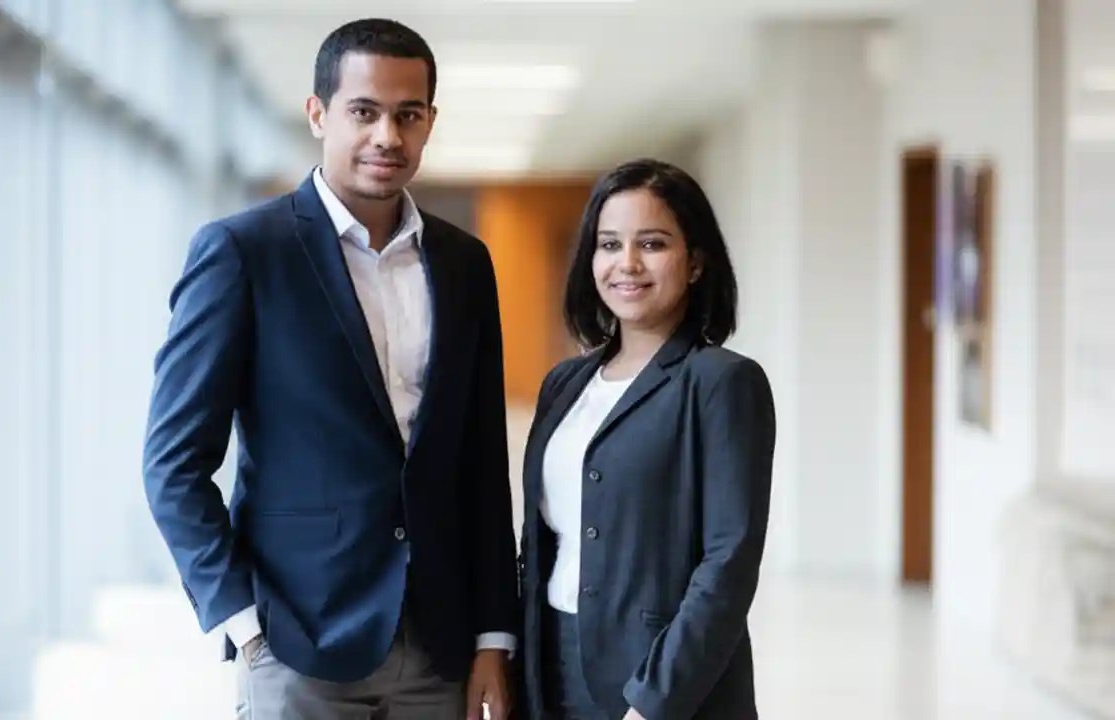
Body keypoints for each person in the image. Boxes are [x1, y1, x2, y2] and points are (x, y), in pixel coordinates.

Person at [142, 18, 518, 720]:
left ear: (429, 122)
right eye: (364, 112)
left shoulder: (465, 265)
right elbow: (172, 461)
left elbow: (480, 464)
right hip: (298, 643)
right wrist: (244, 625)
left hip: (440, 642)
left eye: (408, 115)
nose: (387, 136)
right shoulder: (244, 252)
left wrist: (494, 635)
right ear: (318, 114)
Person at [517, 159, 776, 719]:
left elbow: (727, 565)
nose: (626, 264)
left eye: (652, 244)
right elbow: (541, 543)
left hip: (664, 683)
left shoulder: (720, 382)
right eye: (609, 244)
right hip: (554, 671)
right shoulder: (565, 384)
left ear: (696, 262)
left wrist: (654, 703)